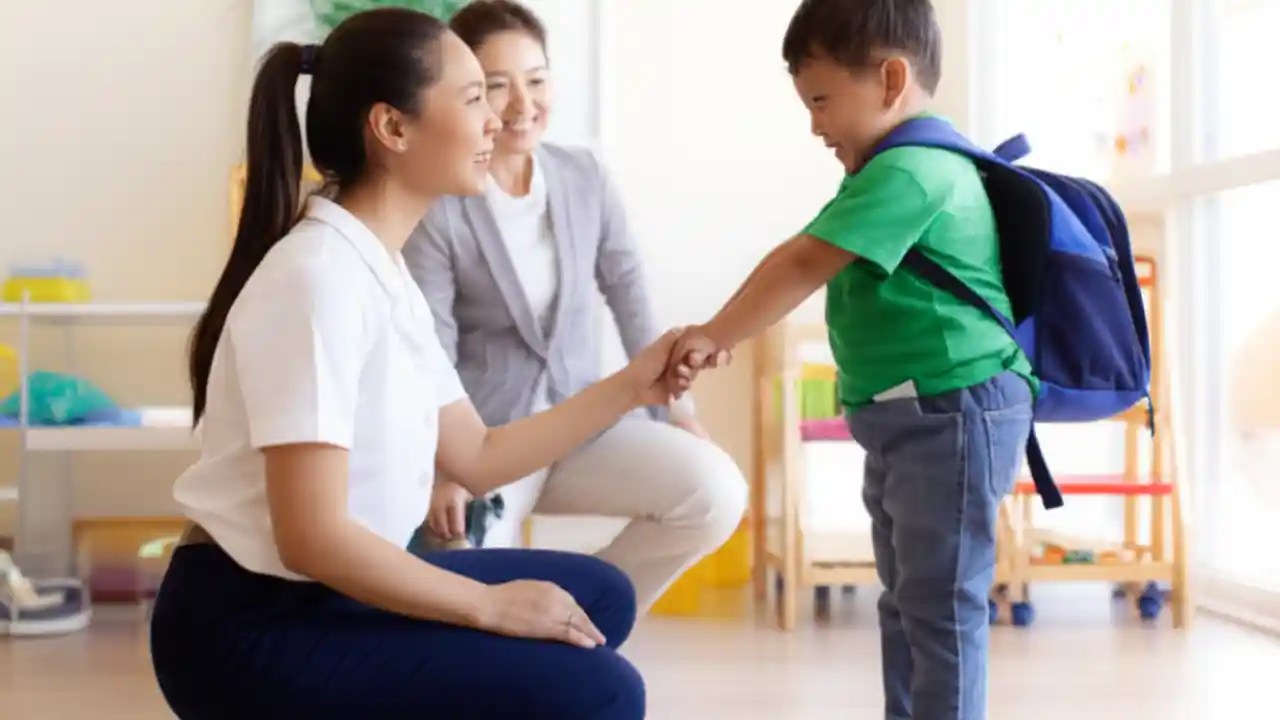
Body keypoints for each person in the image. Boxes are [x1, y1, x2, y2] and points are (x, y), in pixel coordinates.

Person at [149, 9, 693, 718]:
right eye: (474, 97)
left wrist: (630, 386)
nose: (497, 119)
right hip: (252, 626)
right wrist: (487, 607)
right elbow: (310, 537)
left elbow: (478, 454)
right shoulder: (318, 280)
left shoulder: (380, 270)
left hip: (326, 592)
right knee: (604, 692)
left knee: (601, 595)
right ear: (393, 128)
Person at [665, 1, 1034, 718]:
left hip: (953, 411)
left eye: (822, 100)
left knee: (940, 608)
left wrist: (715, 333)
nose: (815, 125)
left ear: (891, 79)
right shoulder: (893, 169)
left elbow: (805, 260)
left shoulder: (917, 171)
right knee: (907, 601)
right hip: (912, 415)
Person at [402, 0, 746, 610]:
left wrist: (681, 413)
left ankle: (582, 616)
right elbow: (432, 351)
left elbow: (632, 298)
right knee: (459, 568)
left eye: (535, 81)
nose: (521, 105)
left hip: (586, 423)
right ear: (466, 96)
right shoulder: (440, 203)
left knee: (715, 490)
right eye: (495, 87)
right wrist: (444, 468)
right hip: (491, 443)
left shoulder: (583, 176)